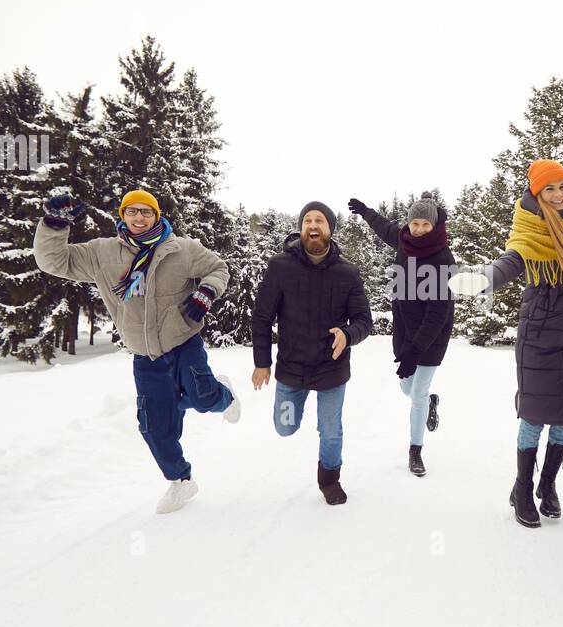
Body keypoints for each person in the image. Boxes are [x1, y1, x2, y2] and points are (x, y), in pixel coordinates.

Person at [448, 161, 563, 528]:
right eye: (549, 189)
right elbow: (509, 261)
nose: (558, 194)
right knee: (534, 416)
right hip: (540, 336)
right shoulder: (530, 231)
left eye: (562, 186)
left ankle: (547, 485)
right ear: (536, 193)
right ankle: (523, 486)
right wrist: (481, 280)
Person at [33, 189, 238, 514]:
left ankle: (224, 397)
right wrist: (55, 225)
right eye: (133, 212)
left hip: (184, 341)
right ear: (123, 216)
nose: (139, 217)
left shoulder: (182, 249)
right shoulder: (102, 253)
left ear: (156, 216)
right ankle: (181, 482)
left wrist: (206, 292)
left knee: (202, 396)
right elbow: (54, 261)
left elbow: (219, 268)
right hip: (145, 355)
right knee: (153, 426)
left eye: (146, 212)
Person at [252, 202, 373, 505]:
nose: (313, 225)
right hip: (291, 369)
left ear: (330, 229)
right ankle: (298, 416)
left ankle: (329, 480)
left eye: (320, 220)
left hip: (331, 368)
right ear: (302, 228)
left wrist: (347, 334)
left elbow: (364, 322)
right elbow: (262, 317)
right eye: (308, 220)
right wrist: (262, 362)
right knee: (285, 427)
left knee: (330, 429)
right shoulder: (280, 267)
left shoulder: (348, 273)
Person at [347, 192, 455, 477]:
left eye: (424, 224)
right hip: (405, 330)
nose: (418, 229)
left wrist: (415, 351)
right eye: (414, 223)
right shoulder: (404, 241)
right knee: (407, 389)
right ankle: (431, 400)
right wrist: (366, 210)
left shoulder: (443, 258)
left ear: (434, 226)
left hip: (432, 336)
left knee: (416, 392)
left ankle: (415, 451)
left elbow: (438, 313)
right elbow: (384, 227)